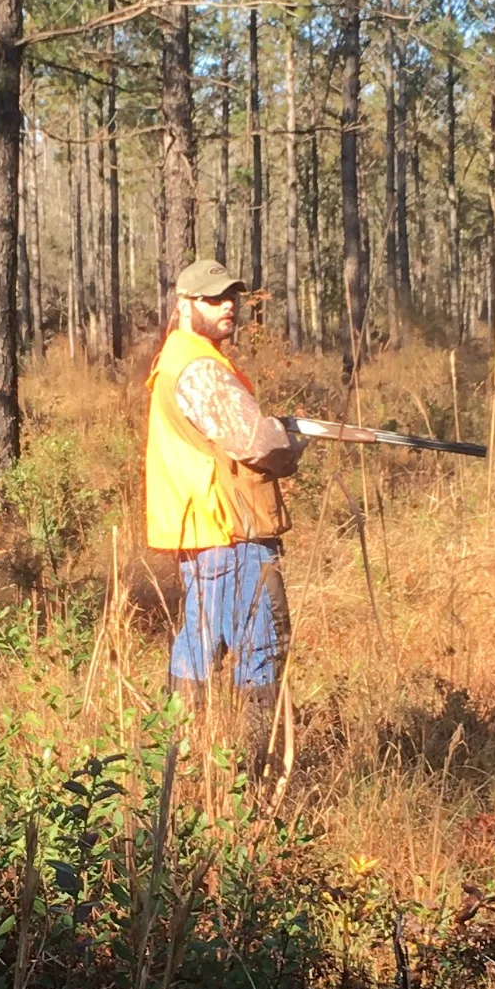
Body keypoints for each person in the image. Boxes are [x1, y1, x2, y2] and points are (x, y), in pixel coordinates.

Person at [145, 258, 308, 781]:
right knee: (263, 647)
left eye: (231, 297)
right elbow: (258, 444)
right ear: (184, 304)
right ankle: (252, 775)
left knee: (201, 639)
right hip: (231, 529)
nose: (228, 307)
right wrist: (292, 441)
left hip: (206, 531)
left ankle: (178, 761)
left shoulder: (177, 360)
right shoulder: (199, 367)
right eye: (213, 299)